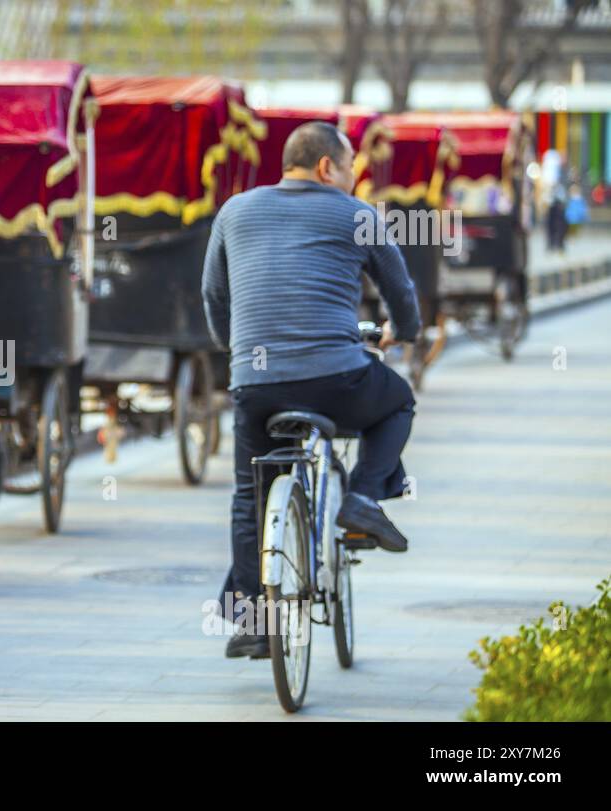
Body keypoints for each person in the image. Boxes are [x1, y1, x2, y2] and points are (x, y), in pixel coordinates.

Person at [201, 121, 422, 659]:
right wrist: (404, 331)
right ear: (328, 167)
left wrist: (239, 351)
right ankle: (364, 499)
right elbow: (401, 290)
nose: (353, 181)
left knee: (249, 495)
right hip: (337, 380)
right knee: (397, 400)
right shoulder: (357, 214)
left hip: (254, 384)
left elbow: (213, 295)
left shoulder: (234, 211)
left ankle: (252, 623)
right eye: (351, 169)